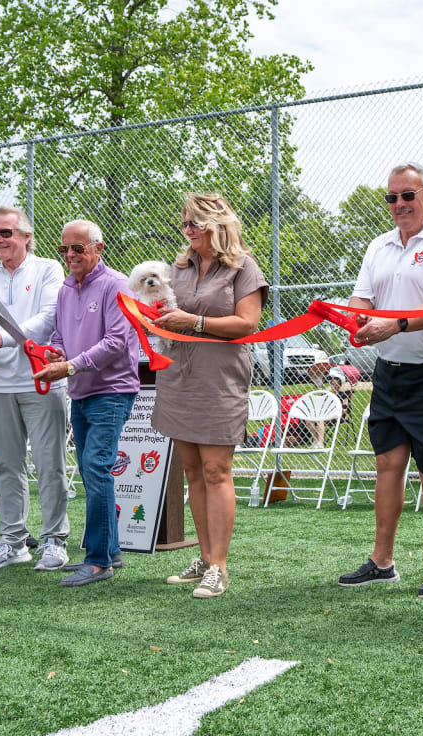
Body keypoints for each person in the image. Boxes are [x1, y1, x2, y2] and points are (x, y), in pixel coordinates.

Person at [336, 163, 423, 599]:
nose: (399, 205)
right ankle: (382, 562)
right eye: (392, 198)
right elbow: (363, 296)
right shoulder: (379, 245)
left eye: (407, 196)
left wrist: (393, 325)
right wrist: (356, 316)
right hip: (390, 370)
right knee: (387, 465)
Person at [152, 194, 267, 599]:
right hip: (179, 376)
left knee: (217, 470)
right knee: (193, 471)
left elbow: (247, 323)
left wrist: (194, 321)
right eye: (184, 224)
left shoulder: (243, 267)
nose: (186, 231)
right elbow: (163, 309)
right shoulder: (177, 268)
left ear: (216, 227)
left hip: (219, 379)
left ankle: (219, 566)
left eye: (193, 224)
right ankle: (204, 558)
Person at [36, 219, 139, 587]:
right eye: (65, 248)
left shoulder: (118, 285)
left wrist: (68, 365)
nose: (70, 255)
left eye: (77, 248)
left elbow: (116, 342)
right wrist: (57, 354)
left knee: (95, 469)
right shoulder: (65, 288)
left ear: (99, 248)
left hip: (111, 390)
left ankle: (97, 562)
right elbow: (61, 335)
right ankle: (110, 552)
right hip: (80, 390)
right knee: (93, 469)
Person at [0, 206, 70, 571]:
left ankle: (55, 540)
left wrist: (4, 338)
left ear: (26, 236)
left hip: (41, 378)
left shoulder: (48, 269)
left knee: (49, 463)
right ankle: (13, 542)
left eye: (6, 233)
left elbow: (49, 318)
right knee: (6, 466)